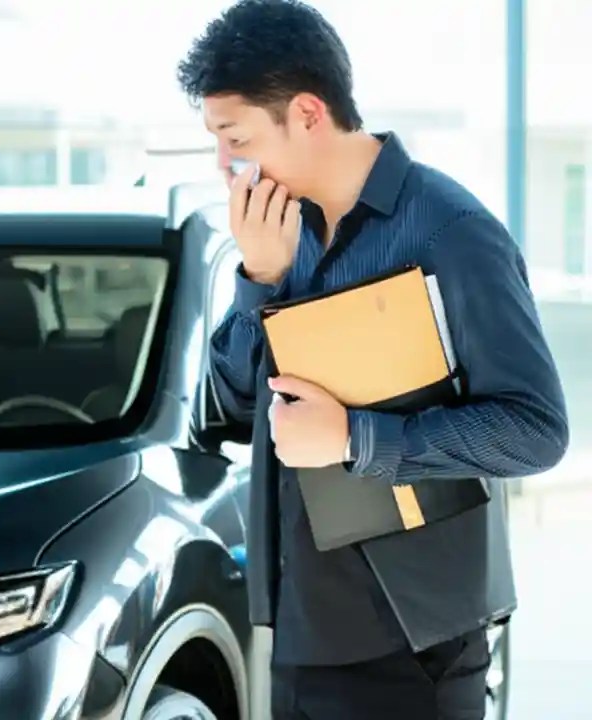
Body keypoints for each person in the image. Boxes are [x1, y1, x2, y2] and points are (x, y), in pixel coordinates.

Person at [176, 1, 569, 718]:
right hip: (299, 628)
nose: (224, 165)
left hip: (412, 641)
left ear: (305, 113)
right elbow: (229, 408)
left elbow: (536, 429)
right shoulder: (278, 235)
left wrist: (359, 439)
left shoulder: (452, 233)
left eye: (234, 138)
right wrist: (258, 282)